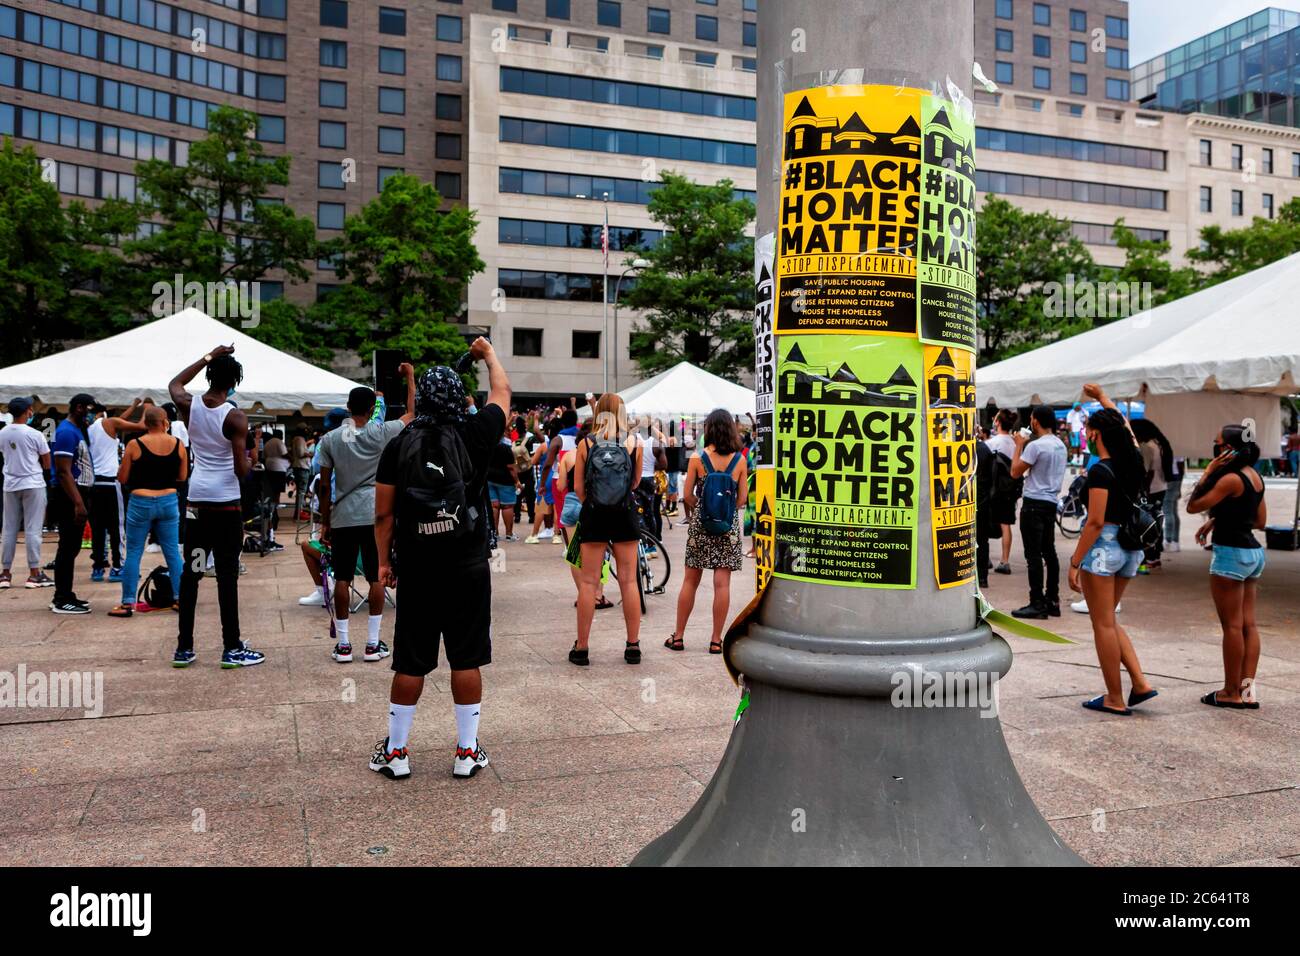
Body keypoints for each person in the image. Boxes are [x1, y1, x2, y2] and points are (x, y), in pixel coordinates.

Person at [369, 339, 508, 781]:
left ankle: (396, 752)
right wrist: (486, 357)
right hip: (467, 565)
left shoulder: (399, 443)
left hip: (417, 567)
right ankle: (467, 751)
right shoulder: (477, 432)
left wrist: (383, 563)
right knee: (466, 658)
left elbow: (382, 513)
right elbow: (503, 394)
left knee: (410, 660)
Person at [168, 346, 265, 668]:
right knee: (226, 574)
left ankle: (184, 647)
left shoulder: (188, 405)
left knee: (192, 571)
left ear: (210, 375)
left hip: (196, 503)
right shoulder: (235, 416)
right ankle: (231, 646)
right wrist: (253, 457)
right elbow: (241, 470)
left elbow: (175, 384)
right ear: (235, 381)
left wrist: (208, 356)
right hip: (225, 505)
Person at [1066, 384, 1157, 716]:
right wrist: (1103, 399)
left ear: (1096, 434)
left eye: (1089, 430)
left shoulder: (1100, 470)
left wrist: (1075, 562)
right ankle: (1140, 682)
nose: (1086, 434)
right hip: (1132, 549)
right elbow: (1125, 425)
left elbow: (1094, 522)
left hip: (1105, 548)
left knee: (1102, 623)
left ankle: (1114, 698)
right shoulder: (1132, 457)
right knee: (1109, 621)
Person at [317, 367, 415, 664]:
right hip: (376, 514)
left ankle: (344, 645)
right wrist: (409, 376)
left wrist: (324, 520)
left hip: (343, 515)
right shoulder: (380, 432)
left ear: (348, 407)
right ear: (372, 409)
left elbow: (324, 484)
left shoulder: (331, 439)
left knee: (343, 578)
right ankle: (372, 644)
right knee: (376, 576)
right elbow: (411, 413)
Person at [1186, 424, 1267, 709]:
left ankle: (1230, 692)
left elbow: (1193, 506)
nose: (1215, 448)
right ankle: (1247, 691)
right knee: (1248, 625)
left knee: (1232, 627)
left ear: (1228, 449)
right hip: (1253, 554)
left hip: (1231, 554)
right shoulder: (1254, 476)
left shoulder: (1229, 478)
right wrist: (1218, 520)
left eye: (1217, 444)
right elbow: (1259, 521)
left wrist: (1208, 473)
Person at [570, 392, 643, 667]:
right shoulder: (634, 441)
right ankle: (633, 646)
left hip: (594, 514)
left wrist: (594, 503)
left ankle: (582, 648)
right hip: (624, 514)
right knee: (629, 581)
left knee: (589, 582)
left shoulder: (586, 443)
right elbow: (634, 483)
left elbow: (577, 488)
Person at [666, 409, 748, 654]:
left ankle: (678, 636)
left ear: (709, 429)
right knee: (722, 584)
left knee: (690, 581)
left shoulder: (697, 459)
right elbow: (742, 500)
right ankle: (715, 640)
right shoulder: (740, 460)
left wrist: (703, 507)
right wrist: (724, 508)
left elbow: (687, 495)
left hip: (701, 525)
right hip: (728, 527)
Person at [109, 405, 186, 618]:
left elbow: (122, 478)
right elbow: (182, 476)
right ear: (164, 423)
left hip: (140, 501)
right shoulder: (178, 444)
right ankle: (181, 599)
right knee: (172, 551)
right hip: (169, 500)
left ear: (147, 423)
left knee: (134, 552)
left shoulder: (135, 444)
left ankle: (127, 604)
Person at [1010, 405, 1067, 618]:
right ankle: (1053, 599)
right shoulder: (1060, 445)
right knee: (1049, 553)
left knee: (1033, 555)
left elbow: (1015, 472)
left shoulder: (1036, 446)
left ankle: (1036, 601)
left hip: (1033, 503)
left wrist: (1018, 445)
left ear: (1035, 421)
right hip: (1051, 502)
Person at [47, 393, 99, 614]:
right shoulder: (67, 432)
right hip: (69, 495)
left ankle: (66, 593)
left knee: (72, 547)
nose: (91, 416)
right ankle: (61, 598)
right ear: (79, 408)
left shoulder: (76, 430)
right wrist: (78, 502)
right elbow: (63, 471)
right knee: (67, 548)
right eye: (89, 411)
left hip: (76, 492)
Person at [87, 400, 149, 583]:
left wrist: (133, 405)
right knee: (117, 527)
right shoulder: (110, 423)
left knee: (98, 529)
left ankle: (98, 568)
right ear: (104, 413)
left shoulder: (89, 429)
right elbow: (141, 425)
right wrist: (145, 409)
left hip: (94, 484)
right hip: (110, 484)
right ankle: (118, 567)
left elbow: (119, 421)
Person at [1, 397, 53, 591]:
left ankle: (5, 573)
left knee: (9, 529)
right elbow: (47, 461)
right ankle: (34, 573)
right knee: (33, 529)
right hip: (33, 483)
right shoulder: (35, 434)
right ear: (28, 411)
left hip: (10, 483)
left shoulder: (3, 433)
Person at [1131, 418, 1174, 572]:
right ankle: (1155, 556)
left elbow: (1146, 472)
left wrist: (1142, 492)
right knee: (1156, 521)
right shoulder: (1158, 443)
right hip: (1160, 487)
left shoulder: (1146, 446)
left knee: (1146, 524)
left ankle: (1150, 556)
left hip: (1150, 489)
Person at [985, 409, 1020, 574]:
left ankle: (985, 558)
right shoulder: (1014, 443)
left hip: (992, 489)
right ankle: (1005, 561)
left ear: (997, 422)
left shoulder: (991, 443)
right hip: (1009, 490)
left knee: (984, 523)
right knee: (1005, 525)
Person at [486, 431, 519, 543]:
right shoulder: (505, 448)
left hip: (489, 479)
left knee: (494, 506)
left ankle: (495, 534)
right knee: (507, 507)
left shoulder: (487, 446)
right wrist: (517, 481)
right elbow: (511, 467)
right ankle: (509, 534)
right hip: (505, 481)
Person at [974, 438, 993, 589]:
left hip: (968, 500)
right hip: (983, 501)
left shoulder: (960, 447)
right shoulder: (985, 449)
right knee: (982, 540)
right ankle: (982, 577)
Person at [1163, 451, 1186, 552]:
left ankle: (1168, 540)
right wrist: (1179, 487)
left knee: (1168, 511)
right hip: (1176, 479)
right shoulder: (1179, 448)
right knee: (1173, 511)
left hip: (1168, 478)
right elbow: (1181, 467)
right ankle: (1175, 541)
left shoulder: (1166, 447)